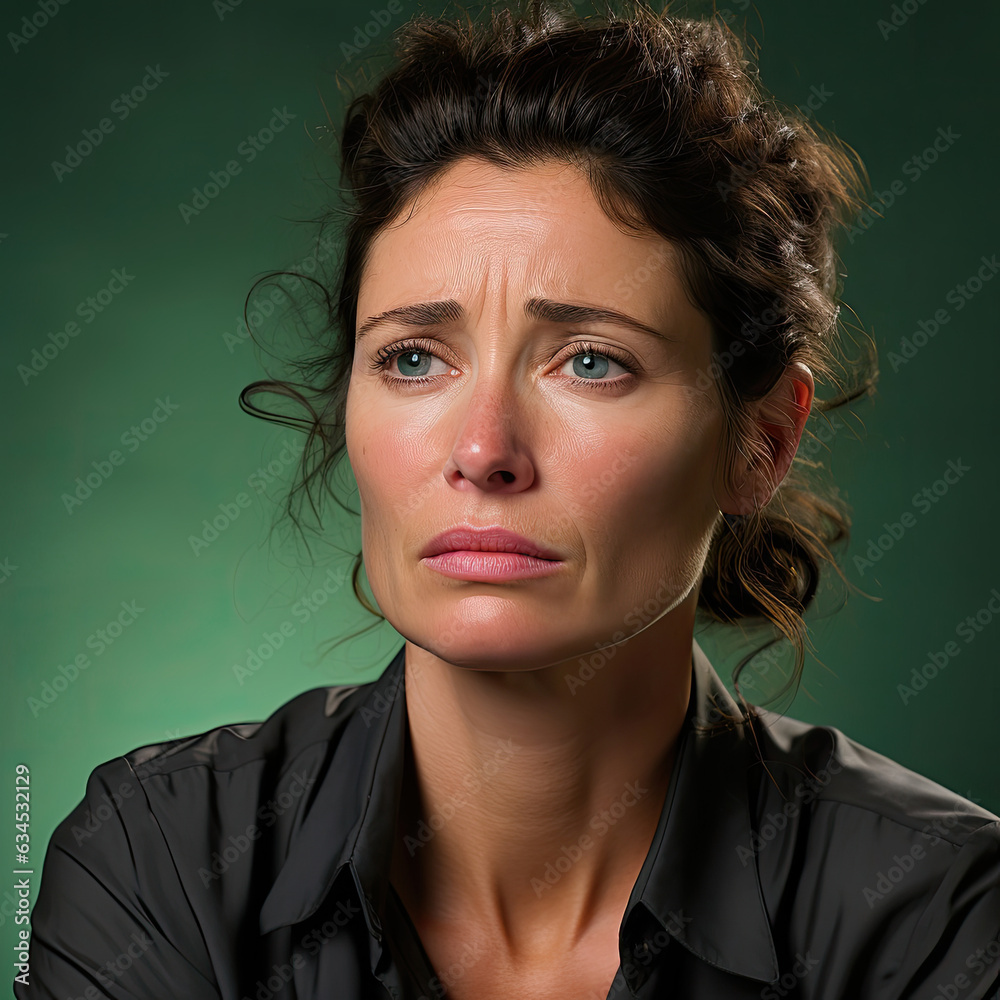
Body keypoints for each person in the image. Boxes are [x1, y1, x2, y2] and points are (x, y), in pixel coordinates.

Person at [16, 1, 1000, 998]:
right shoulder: (156, 865)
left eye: (589, 361)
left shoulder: (932, 914)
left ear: (762, 440)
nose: (483, 450)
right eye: (412, 357)